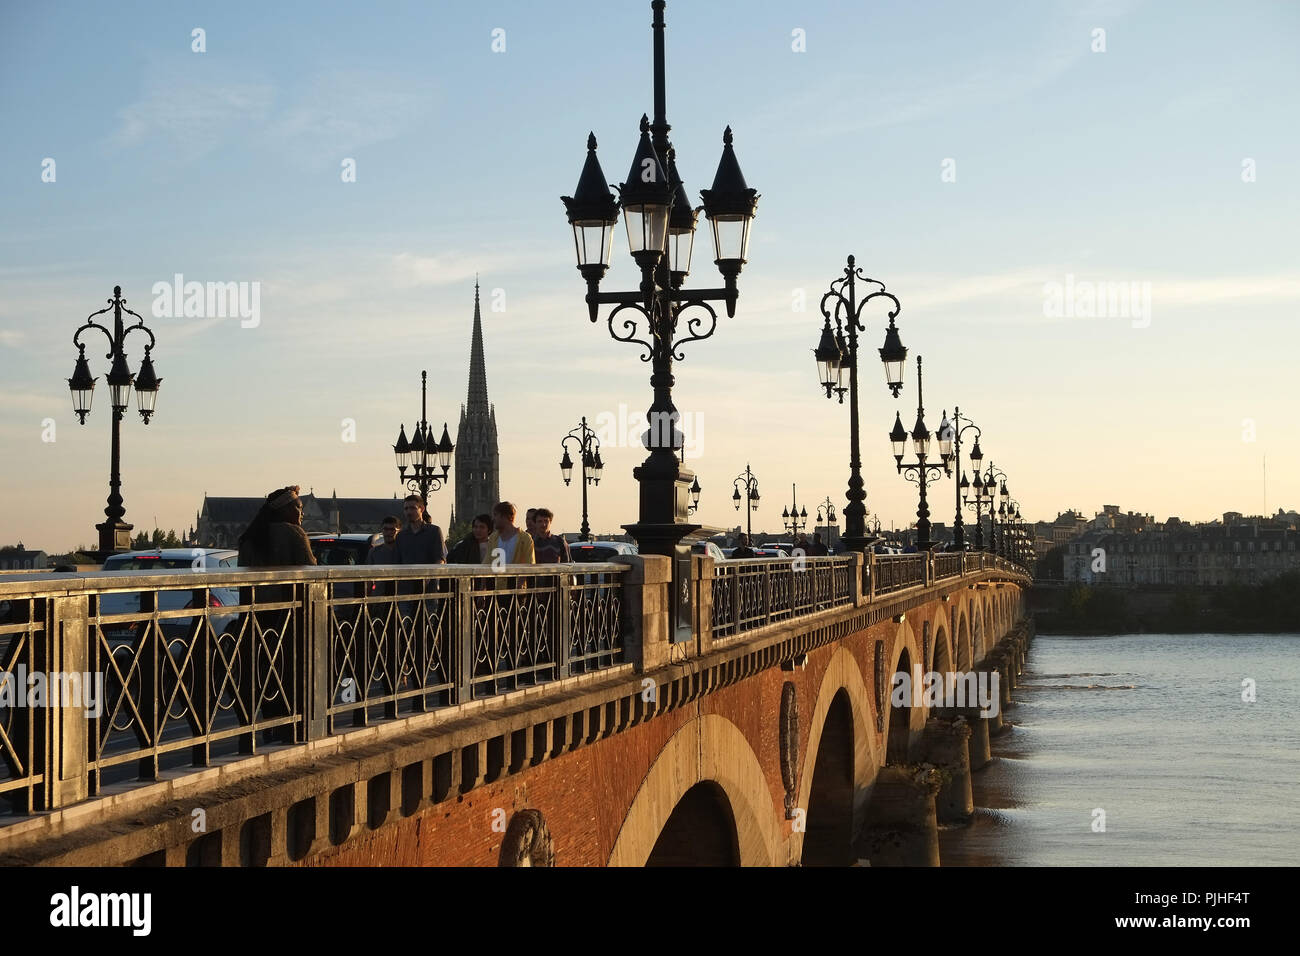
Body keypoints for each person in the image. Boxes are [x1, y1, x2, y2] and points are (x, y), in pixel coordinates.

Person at [237, 485, 317, 568]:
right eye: (298, 507)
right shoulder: (295, 533)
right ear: (284, 509)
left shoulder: (249, 536)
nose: (302, 513)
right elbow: (310, 568)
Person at [394, 494, 446, 565]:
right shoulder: (400, 536)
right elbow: (397, 562)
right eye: (406, 509)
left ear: (422, 509)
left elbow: (440, 559)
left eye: (413, 508)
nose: (409, 512)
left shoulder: (434, 531)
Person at [483, 501, 534, 565]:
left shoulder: (525, 539)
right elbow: (486, 564)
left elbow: (530, 565)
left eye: (495, 515)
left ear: (505, 516)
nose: (493, 519)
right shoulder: (493, 538)